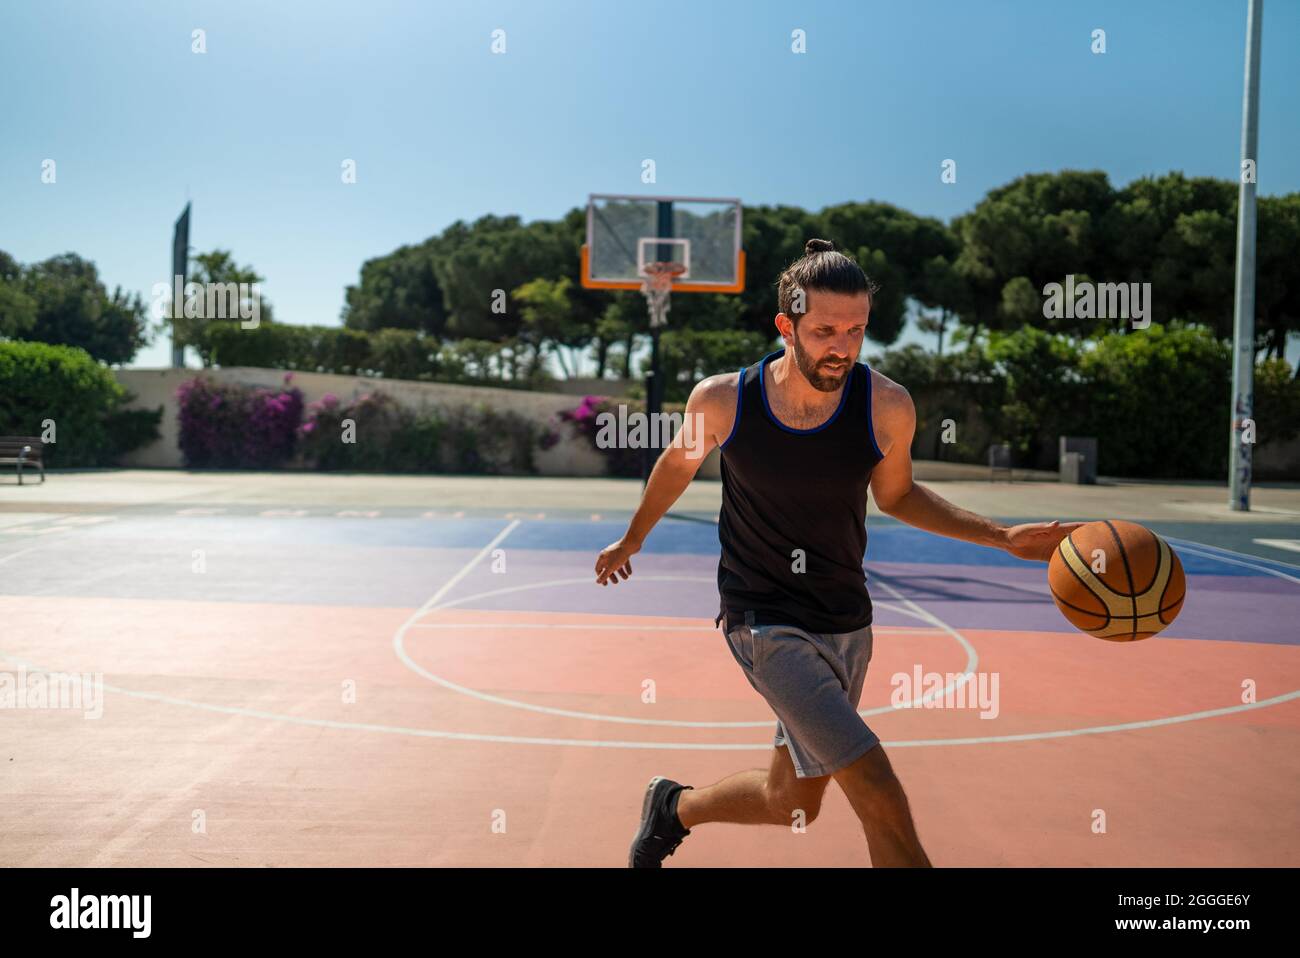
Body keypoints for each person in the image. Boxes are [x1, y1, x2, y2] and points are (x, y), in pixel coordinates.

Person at [596, 239, 1081, 867]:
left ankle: (672, 807)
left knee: (792, 802)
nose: (842, 346)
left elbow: (899, 495)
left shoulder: (886, 406)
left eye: (856, 330)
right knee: (877, 788)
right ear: (786, 325)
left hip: (847, 622)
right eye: (825, 330)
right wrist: (634, 536)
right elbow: (679, 462)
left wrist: (1002, 536)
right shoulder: (724, 399)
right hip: (763, 620)